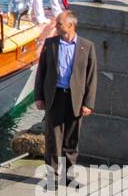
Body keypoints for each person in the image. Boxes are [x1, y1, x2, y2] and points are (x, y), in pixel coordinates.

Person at [33, 11, 98, 183]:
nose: (55, 26)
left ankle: (69, 177)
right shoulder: (50, 44)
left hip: (75, 99)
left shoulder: (87, 46)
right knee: (53, 140)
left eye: (59, 23)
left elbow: (91, 77)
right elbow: (41, 72)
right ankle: (51, 178)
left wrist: (88, 103)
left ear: (70, 25)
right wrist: (38, 97)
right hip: (54, 98)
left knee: (71, 140)